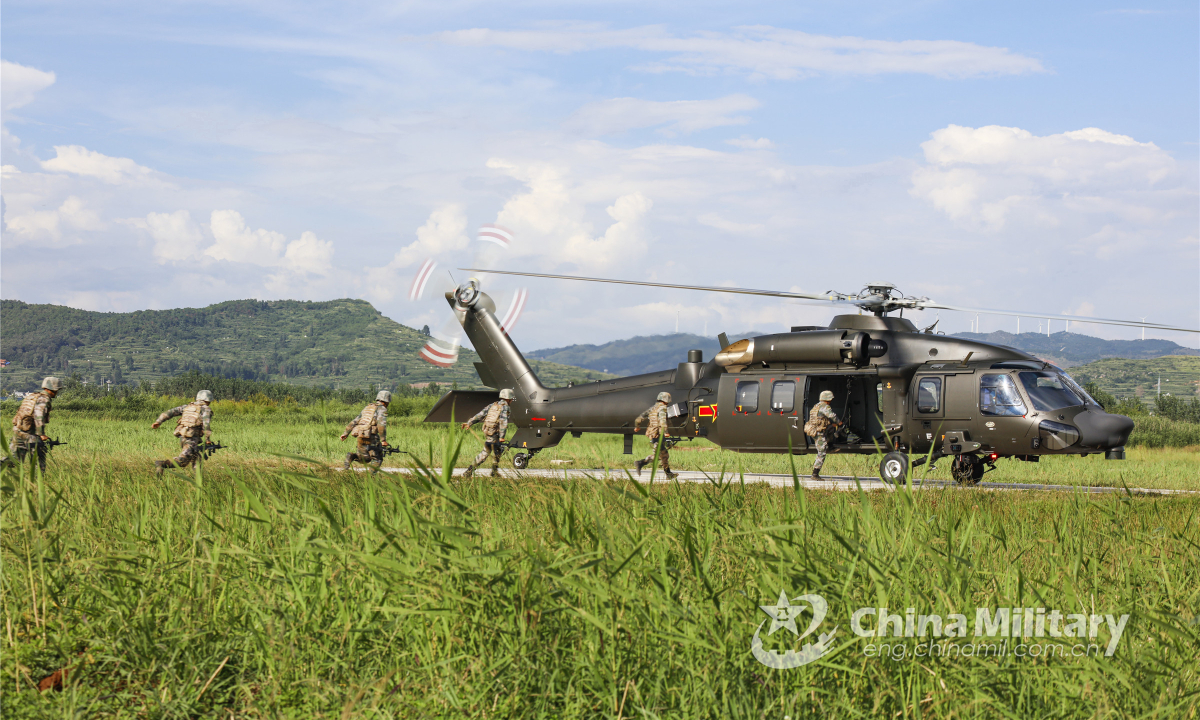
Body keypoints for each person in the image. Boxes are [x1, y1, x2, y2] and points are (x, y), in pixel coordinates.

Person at [5, 376, 62, 473]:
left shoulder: (32, 396)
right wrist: (41, 434)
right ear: (52, 389)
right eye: (57, 390)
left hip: (19, 430)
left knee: (15, 460)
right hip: (30, 433)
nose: (57, 392)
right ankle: (37, 483)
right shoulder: (44, 399)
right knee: (39, 460)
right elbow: (38, 415)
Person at [152, 389, 215, 475]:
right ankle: (162, 464)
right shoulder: (206, 409)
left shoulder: (187, 407)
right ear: (208, 400)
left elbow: (170, 412)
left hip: (182, 436)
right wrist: (207, 438)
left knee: (196, 457)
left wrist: (158, 421)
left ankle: (198, 479)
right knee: (182, 461)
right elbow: (206, 424)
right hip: (191, 438)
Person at [461, 388, 515, 478]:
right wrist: (502, 436)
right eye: (512, 399)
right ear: (509, 399)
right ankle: (470, 472)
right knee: (486, 452)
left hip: (487, 430)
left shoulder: (493, 405)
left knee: (497, 451)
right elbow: (503, 422)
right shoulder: (505, 407)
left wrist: (469, 422)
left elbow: (481, 414)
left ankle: (493, 472)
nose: (512, 401)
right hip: (495, 433)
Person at [341, 390, 392, 473]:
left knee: (364, 457)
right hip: (371, 436)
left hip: (360, 434)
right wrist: (383, 440)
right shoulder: (382, 408)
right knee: (377, 458)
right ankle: (371, 477)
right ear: (387, 401)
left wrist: (345, 433)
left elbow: (355, 420)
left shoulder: (368, 407)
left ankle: (352, 456)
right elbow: (381, 424)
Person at [634, 391, 677, 480]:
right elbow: (662, 420)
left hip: (652, 434)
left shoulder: (653, 408)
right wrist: (665, 431)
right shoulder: (662, 408)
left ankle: (668, 473)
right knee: (661, 455)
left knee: (663, 454)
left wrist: (637, 427)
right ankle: (641, 463)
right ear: (666, 400)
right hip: (658, 435)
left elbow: (639, 418)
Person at [804, 390, 843, 480]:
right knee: (822, 451)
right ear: (827, 399)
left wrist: (833, 425)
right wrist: (839, 422)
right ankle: (815, 474)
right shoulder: (825, 407)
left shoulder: (817, 406)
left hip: (816, 429)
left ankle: (830, 445)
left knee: (831, 428)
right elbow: (832, 416)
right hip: (818, 431)